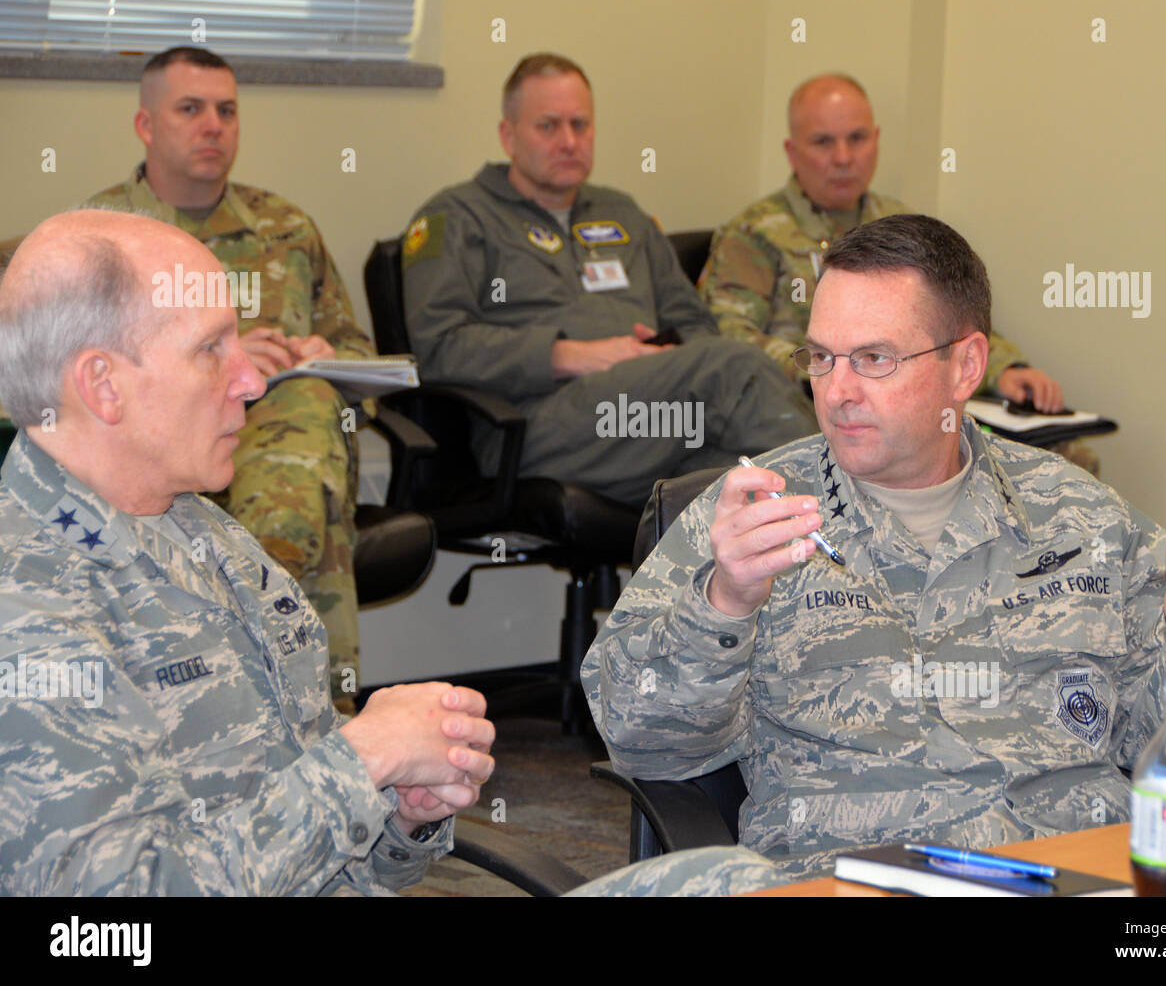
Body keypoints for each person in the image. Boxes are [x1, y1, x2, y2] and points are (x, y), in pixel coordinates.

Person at [583, 213, 1166, 879]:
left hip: (1076, 874)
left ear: (965, 365)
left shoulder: (1080, 517)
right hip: (856, 879)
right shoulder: (751, 515)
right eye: (822, 357)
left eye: (874, 358)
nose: (837, 390)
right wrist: (723, 602)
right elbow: (640, 739)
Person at [0, 209, 496, 895]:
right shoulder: (25, 602)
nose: (252, 381)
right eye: (211, 348)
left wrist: (399, 809)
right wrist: (364, 758)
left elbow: (326, 843)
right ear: (104, 386)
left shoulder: (208, 532)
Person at [84, 46, 374, 704]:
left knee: (310, 399)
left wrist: (319, 352)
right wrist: (220, 355)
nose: (213, 125)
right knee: (312, 503)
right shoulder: (96, 236)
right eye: (190, 109)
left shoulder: (288, 229)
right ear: (146, 125)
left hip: (283, 446)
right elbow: (71, 374)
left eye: (227, 110)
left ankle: (313, 715)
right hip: (154, 452)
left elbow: (360, 355)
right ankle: (298, 688)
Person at [400, 52, 818, 508]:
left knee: (738, 478)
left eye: (580, 125)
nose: (568, 141)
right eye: (548, 126)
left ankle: (814, 561)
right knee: (733, 369)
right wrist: (571, 355)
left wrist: (665, 358)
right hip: (540, 427)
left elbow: (693, 322)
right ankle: (855, 523)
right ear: (508, 135)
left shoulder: (624, 215)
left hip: (653, 419)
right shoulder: (458, 217)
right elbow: (439, 346)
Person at [698, 73, 1098, 475]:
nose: (843, 157)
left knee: (1067, 455)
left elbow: (948, 314)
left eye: (856, 139)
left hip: (909, 397)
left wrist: (1006, 368)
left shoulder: (897, 221)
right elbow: (729, 339)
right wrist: (822, 362)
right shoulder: (753, 235)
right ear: (792, 150)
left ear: (876, 140)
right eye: (823, 142)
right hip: (806, 403)